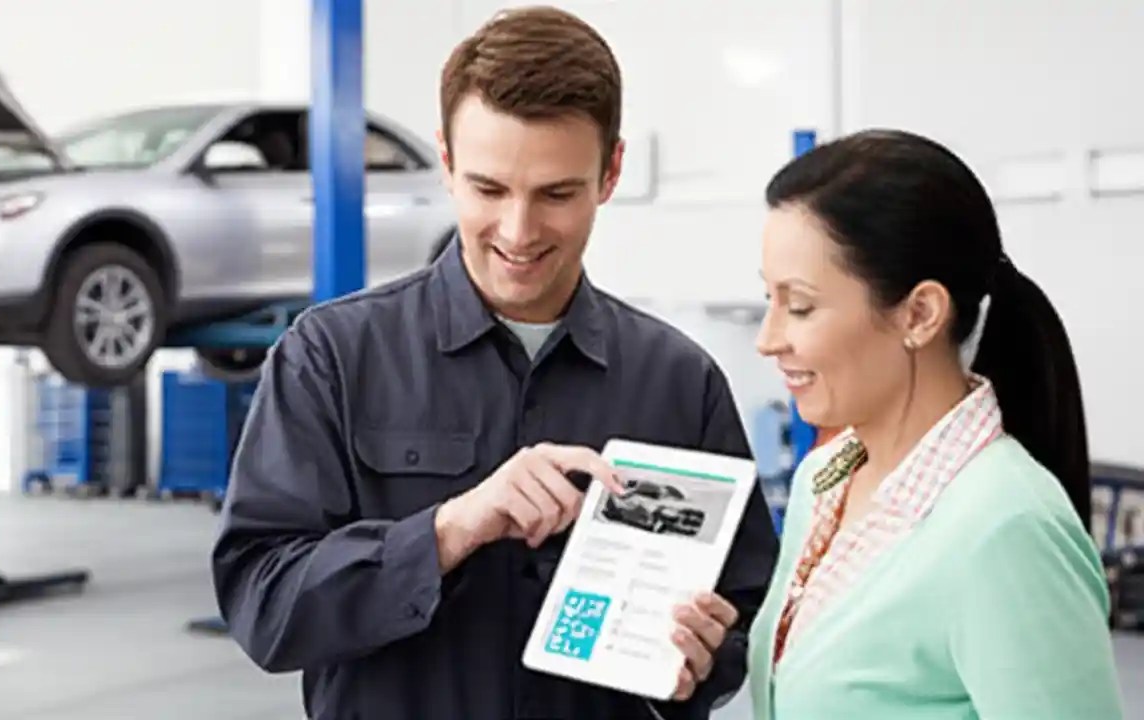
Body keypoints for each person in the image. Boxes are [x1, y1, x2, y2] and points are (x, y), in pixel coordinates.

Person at [211, 7, 779, 720]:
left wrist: (707, 659)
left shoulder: (679, 382)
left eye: (556, 194)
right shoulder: (332, 358)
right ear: (446, 163)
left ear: (610, 173)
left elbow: (745, 612)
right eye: (489, 189)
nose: (518, 231)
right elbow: (266, 607)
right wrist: (450, 530)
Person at [746, 128, 1124, 719]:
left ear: (919, 314)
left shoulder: (1007, 526)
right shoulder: (822, 482)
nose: (768, 340)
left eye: (799, 306)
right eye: (767, 299)